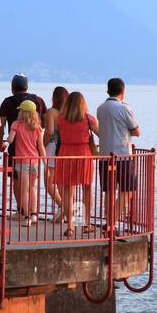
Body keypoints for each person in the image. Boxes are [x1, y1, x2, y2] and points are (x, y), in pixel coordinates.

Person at [96, 77, 141, 228]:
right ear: (123, 91)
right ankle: (111, 223)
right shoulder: (124, 108)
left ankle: (109, 222)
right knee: (128, 190)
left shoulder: (100, 108)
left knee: (109, 191)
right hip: (122, 156)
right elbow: (137, 131)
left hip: (104, 156)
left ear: (108, 91)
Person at [54, 92, 99, 238]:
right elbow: (101, 133)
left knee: (67, 190)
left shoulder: (60, 118)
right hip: (83, 153)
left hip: (65, 153)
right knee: (87, 188)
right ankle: (86, 224)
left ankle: (70, 226)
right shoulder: (88, 118)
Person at [8, 100, 46, 224]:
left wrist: (4, 142)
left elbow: (10, 139)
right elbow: (41, 146)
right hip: (34, 161)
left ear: (22, 112)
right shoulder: (37, 127)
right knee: (33, 188)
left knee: (24, 189)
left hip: (22, 161)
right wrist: (45, 162)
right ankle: (34, 214)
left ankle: (26, 216)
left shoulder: (16, 124)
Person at [43, 85, 69, 220]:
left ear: (54, 98)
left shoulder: (51, 112)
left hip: (52, 147)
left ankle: (63, 207)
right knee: (62, 182)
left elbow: (50, 132)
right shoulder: (69, 112)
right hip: (65, 148)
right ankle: (64, 209)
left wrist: (42, 144)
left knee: (48, 183)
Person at [0, 74, 47, 144]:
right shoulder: (39, 100)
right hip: (35, 147)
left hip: (14, 148)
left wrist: (0, 143)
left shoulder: (7, 102)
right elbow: (45, 124)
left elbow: (1, 126)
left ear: (12, 88)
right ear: (27, 87)